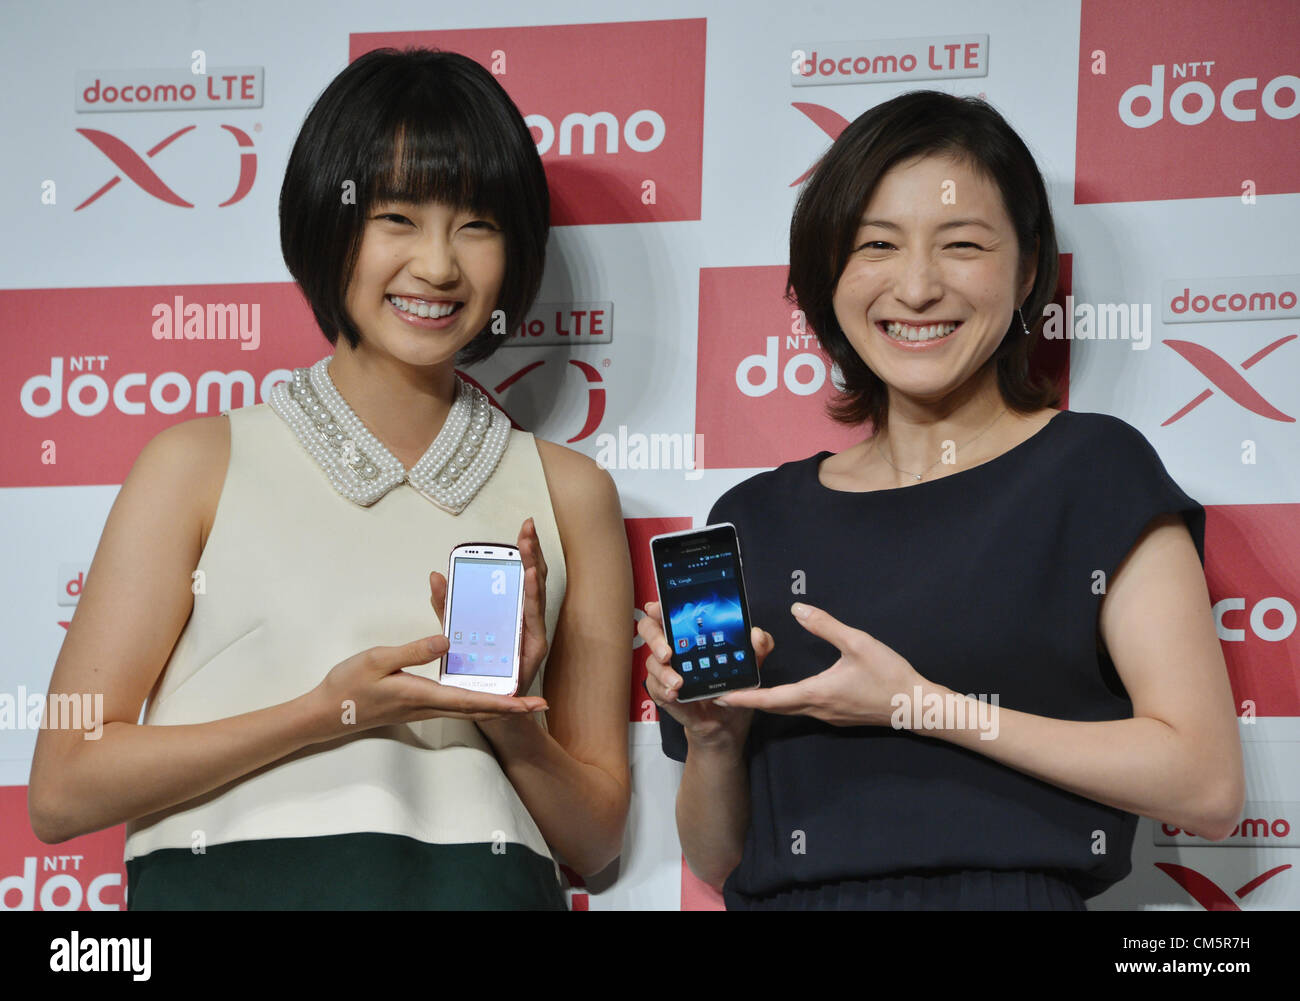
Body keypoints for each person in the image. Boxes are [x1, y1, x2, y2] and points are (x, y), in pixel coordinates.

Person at [28, 48, 632, 910]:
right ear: (327, 221)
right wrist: (324, 711)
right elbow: (61, 786)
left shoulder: (569, 492)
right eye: (396, 218)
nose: (437, 266)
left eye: (477, 224)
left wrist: (511, 724)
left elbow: (596, 837)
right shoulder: (196, 465)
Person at [642, 90, 1244, 910]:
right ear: (828, 272)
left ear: (1028, 268)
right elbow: (718, 859)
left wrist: (918, 706)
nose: (917, 286)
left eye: (961, 244)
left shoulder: (1093, 471)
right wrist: (713, 741)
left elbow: (1205, 784)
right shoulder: (755, 516)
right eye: (876, 245)